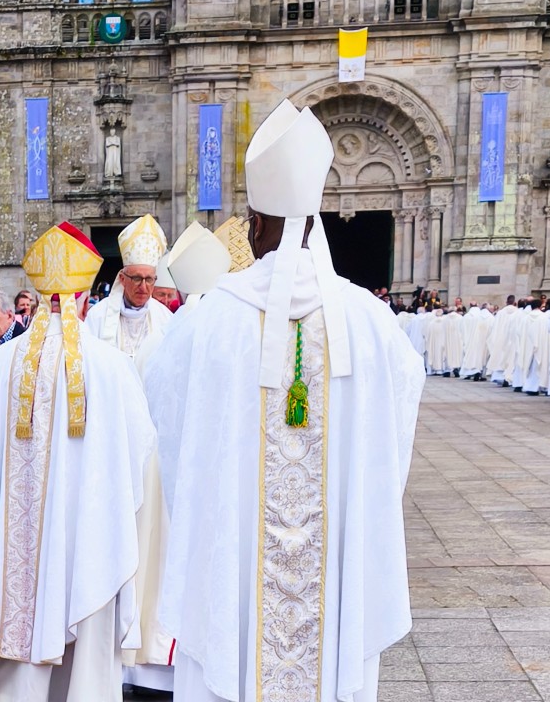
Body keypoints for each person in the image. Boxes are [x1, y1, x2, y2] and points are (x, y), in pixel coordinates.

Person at [146, 99, 424, 701]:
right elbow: (395, 433)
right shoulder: (373, 321)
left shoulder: (209, 317)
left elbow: (167, 418)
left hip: (236, 562)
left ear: (255, 222)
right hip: (333, 576)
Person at [0, 222, 155, 700]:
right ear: (84, 297)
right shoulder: (111, 367)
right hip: (87, 547)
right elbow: (139, 458)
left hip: (9, 554)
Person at [127, 221, 230, 694]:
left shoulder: (164, 333)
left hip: (157, 473)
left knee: (158, 558)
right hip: (192, 472)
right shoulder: (223, 334)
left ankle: (150, 653)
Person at [84, 214, 174, 358]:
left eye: (149, 279)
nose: (143, 287)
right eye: (137, 278)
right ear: (122, 278)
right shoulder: (98, 316)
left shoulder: (165, 318)